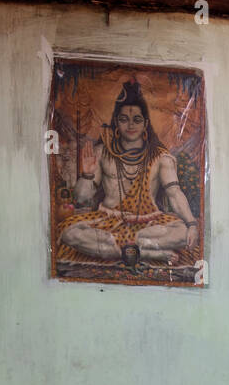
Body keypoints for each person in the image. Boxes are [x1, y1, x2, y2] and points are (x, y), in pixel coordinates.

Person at [58, 80, 200, 266]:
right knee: (70, 233)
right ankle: (145, 252)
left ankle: (126, 249)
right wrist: (87, 175)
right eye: (124, 119)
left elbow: (174, 193)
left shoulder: (160, 158)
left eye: (137, 120)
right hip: (107, 222)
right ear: (116, 122)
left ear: (145, 124)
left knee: (181, 233)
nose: (130, 125)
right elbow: (82, 199)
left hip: (150, 226)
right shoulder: (102, 152)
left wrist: (191, 224)